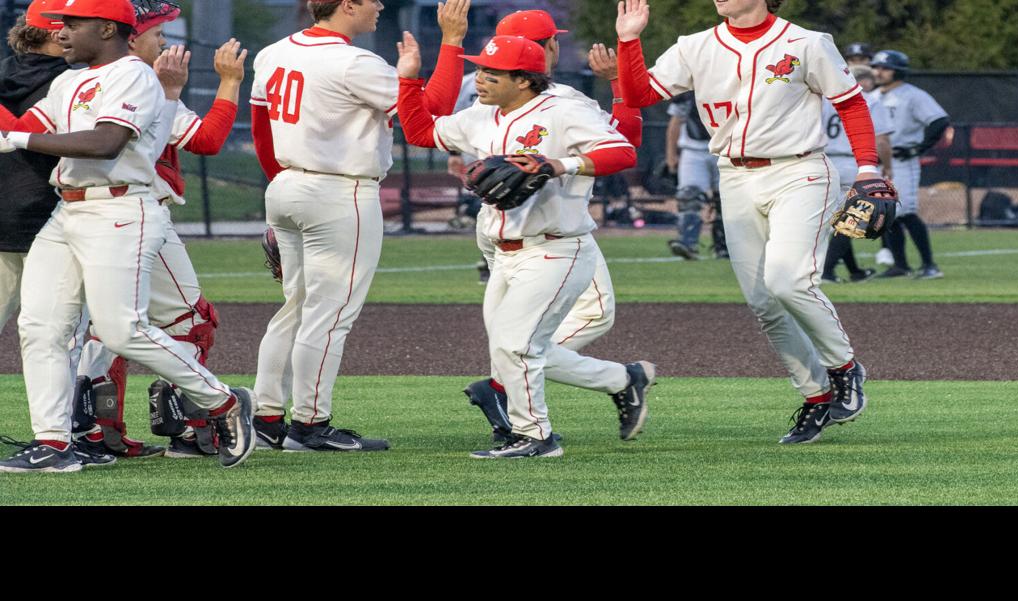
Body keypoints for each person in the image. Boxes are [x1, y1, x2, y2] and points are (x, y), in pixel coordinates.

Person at [615, 0, 889, 444]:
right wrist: (629, 38)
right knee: (764, 301)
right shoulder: (696, 46)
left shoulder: (806, 42)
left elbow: (851, 104)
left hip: (799, 170)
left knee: (788, 280)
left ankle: (844, 368)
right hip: (734, 175)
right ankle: (817, 397)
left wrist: (868, 168)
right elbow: (638, 95)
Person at [0, 0, 254, 473]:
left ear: (107, 27)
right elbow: (23, 129)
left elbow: (106, 142)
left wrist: (18, 139)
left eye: (73, 25)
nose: (64, 33)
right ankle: (54, 443)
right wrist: (13, 133)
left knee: (121, 329)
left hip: (121, 209)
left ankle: (224, 402)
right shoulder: (68, 80)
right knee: (40, 327)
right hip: (68, 210)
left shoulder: (135, 75)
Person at [397, 33, 650, 458]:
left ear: (525, 80)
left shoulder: (563, 111)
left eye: (491, 73)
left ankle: (536, 437)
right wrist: (408, 82)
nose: (479, 79)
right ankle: (618, 382)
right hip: (504, 252)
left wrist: (558, 164)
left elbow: (622, 152)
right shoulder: (480, 116)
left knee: (516, 344)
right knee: (508, 348)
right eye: (479, 69)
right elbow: (420, 131)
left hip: (557, 248)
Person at [247, 0, 470, 453]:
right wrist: (451, 42)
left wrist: (286, 186)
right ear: (347, 5)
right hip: (340, 191)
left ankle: (267, 416)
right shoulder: (354, 62)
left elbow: (260, 129)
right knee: (328, 317)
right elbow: (428, 113)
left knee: (295, 307)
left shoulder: (272, 52)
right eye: (371, 0)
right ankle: (309, 426)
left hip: (287, 184)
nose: (380, 6)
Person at [69, 0, 245, 461]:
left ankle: (94, 429)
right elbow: (206, 140)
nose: (165, 42)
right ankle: (188, 426)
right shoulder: (144, 83)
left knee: (104, 328)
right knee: (190, 321)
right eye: (156, 34)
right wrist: (228, 83)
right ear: (129, 38)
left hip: (79, 212)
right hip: (137, 211)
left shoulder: (80, 82)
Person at [0, 0, 70, 338]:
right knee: (56, 335)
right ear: (58, 33)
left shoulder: (2, 71)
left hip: (2, 216)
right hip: (52, 220)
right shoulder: (74, 83)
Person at [870, 49, 949, 279]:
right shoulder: (873, 96)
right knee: (889, 213)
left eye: (885, 68)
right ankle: (900, 266)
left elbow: (939, 120)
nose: (879, 71)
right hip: (877, 161)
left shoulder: (913, 95)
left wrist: (920, 147)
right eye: (876, 67)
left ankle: (929, 265)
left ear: (899, 71)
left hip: (902, 160)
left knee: (906, 212)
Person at [820, 62, 891, 284]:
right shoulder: (870, 100)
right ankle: (827, 271)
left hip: (825, 162)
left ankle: (854, 272)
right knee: (851, 222)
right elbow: (881, 139)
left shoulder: (824, 99)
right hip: (855, 164)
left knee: (838, 220)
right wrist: (887, 166)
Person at [664, 90, 726, 260]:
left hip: (726, 148)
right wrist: (671, 155)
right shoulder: (689, 91)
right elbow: (675, 122)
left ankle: (726, 246)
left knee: (727, 199)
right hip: (693, 149)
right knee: (688, 195)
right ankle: (687, 242)